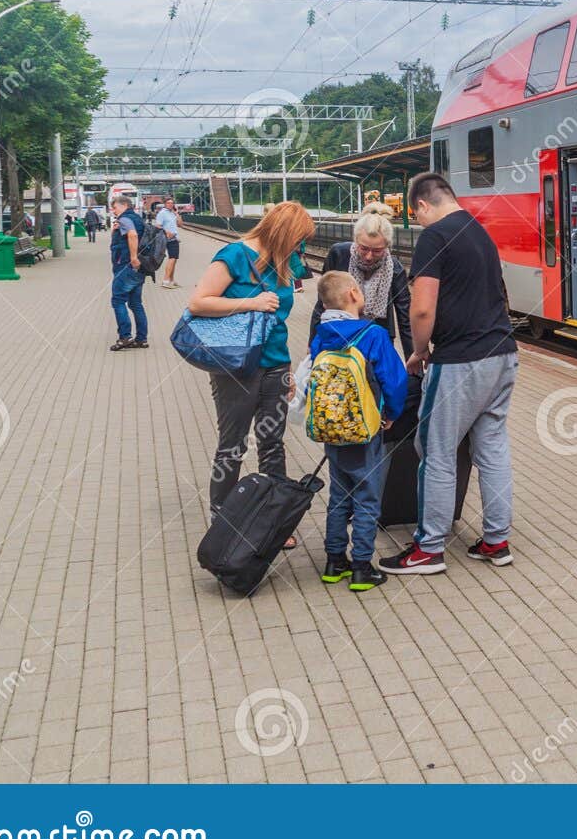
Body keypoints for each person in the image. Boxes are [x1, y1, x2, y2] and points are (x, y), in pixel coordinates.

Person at [380, 171, 518, 575]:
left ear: (422, 204)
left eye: (415, 214)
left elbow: (421, 308)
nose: (418, 222)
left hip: (461, 360)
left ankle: (428, 548)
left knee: (436, 450)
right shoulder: (480, 232)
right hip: (503, 354)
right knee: (491, 448)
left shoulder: (435, 236)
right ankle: (496, 541)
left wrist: (420, 351)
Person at [187, 201, 314, 533]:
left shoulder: (286, 262)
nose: (300, 248)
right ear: (282, 232)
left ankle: (271, 522)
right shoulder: (234, 256)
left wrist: (288, 372)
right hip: (236, 367)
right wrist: (251, 302)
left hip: (275, 364)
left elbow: (282, 320)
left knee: (272, 442)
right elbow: (199, 302)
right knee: (234, 444)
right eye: (297, 240)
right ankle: (223, 521)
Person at [311, 271, 408, 592]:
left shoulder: (321, 334)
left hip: (333, 430)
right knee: (367, 499)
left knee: (339, 497)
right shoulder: (374, 334)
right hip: (366, 430)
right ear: (353, 294)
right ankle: (362, 567)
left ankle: (334, 561)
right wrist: (391, 413)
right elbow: (394, 381)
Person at [306, 207, 412, 355]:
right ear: (355, 240)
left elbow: (405, 317)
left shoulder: (395, 268)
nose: (369, 256)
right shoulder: (339, 254)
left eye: (377, 251)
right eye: (364, 248)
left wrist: (414, 360)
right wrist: (312, 344)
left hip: (377, 341)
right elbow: (322, 303)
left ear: (387, 246)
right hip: (338, 338)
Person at [108, 196, 148, 352]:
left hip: (126, 265)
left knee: (117, 300)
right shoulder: (137, 218)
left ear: (124, 205)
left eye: (115, 208)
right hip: (139, 269)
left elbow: (132, 235)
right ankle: (142, 339)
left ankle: (125, 336)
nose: (114, 211)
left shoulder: (124, 219)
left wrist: (133, 257)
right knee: (135, 303)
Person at [155, 198, 182, 289]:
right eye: (168, 203)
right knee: (172, 258)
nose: (170, 204)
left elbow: (180, 224)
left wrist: (177, 213)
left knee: (174, 259)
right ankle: (165, 281)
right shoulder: (162, 213)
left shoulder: (172, 213)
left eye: (172, 203)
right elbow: (158, 225)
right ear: (165, 204)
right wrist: (166, 232)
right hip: (167, 238)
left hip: (174, 238)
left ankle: (171, 280)